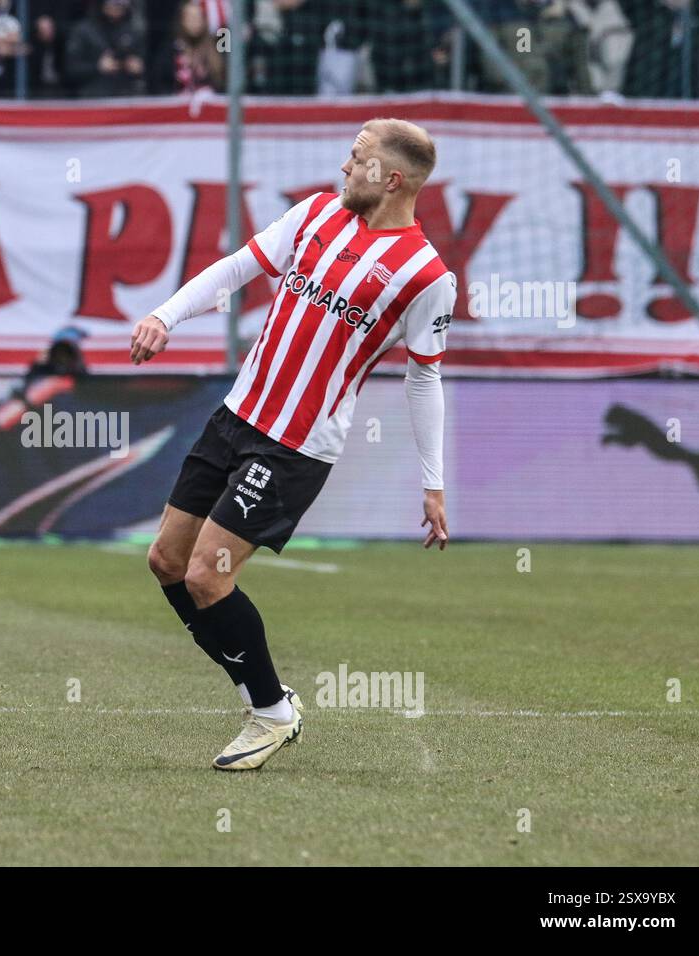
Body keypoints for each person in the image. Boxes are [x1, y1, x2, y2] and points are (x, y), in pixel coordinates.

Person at [130, 119, 453, 771]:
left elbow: (425, 376)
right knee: (166, 561)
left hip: (296, 447)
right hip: (235, 417)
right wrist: (166, 314)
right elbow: (238, 268)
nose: (343, 167)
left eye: (356, 158)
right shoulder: (316, 214)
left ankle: (270, 712)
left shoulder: (426, 275)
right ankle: (267, 696)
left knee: (207, 575)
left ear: (390, 179)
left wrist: (433, 480)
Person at [66, 0, 147, 98]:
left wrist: (139, 67)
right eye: (113, 2)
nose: (118, 5)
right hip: (92, 97)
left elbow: (153, 69)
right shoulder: (83, 31)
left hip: (127, 97)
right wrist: (97, 67)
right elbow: (70, 70)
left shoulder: (133, 31)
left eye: (123, 2)